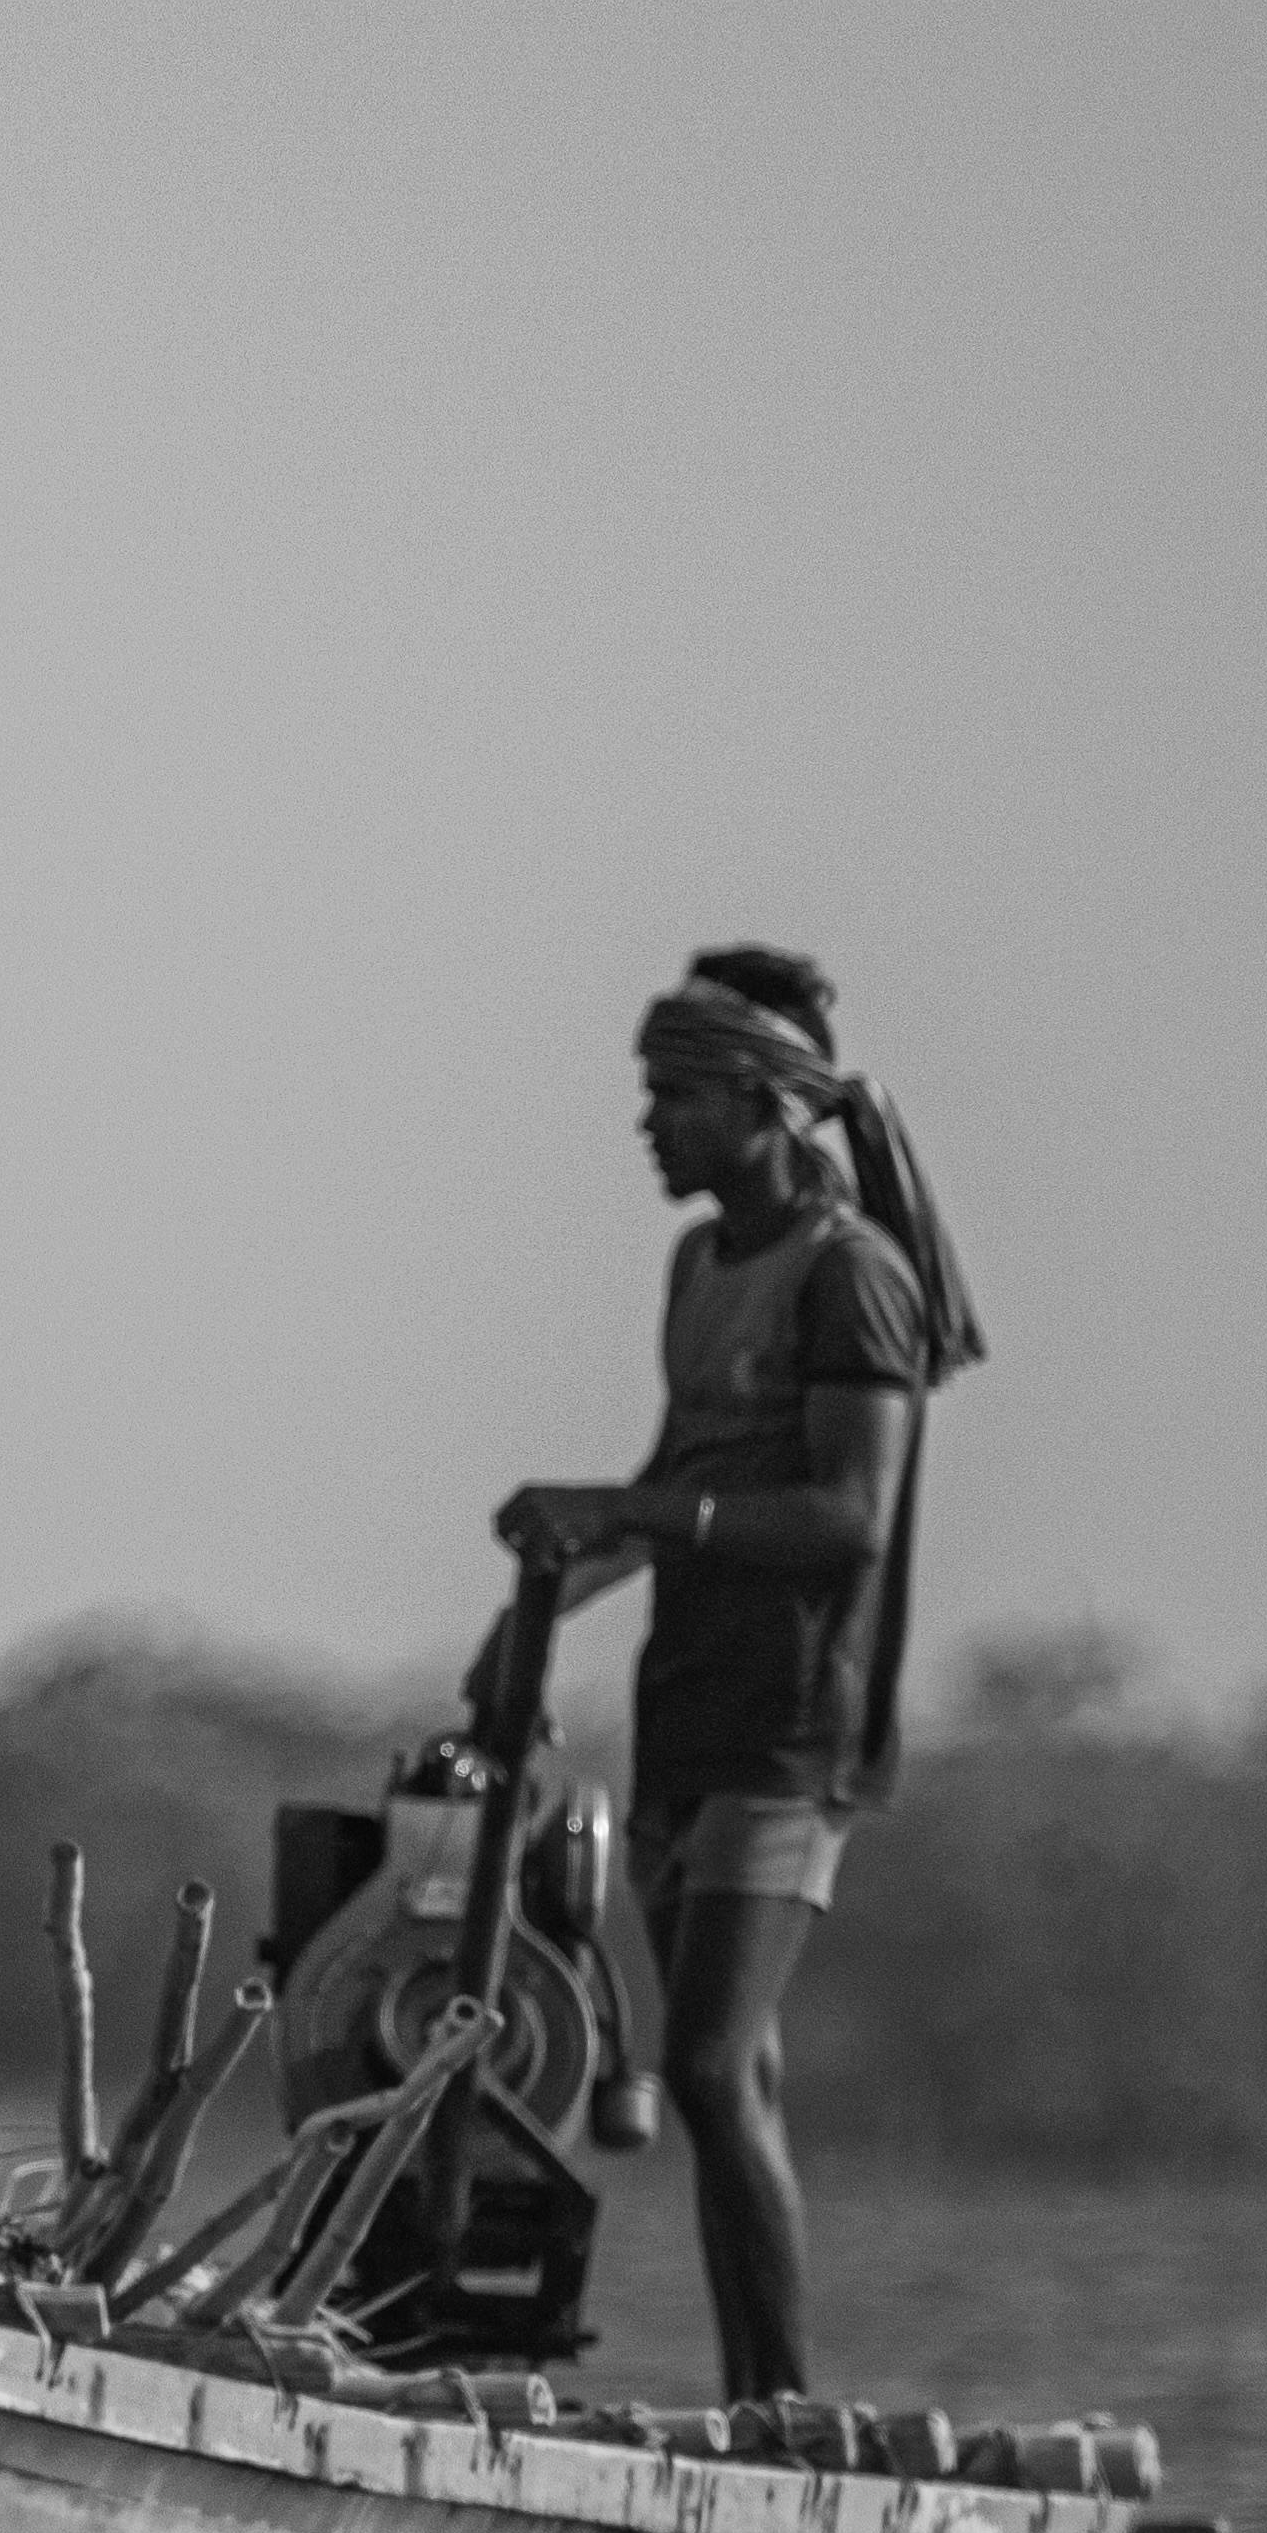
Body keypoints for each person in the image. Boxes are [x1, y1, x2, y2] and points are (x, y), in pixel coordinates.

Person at [488, 946, 983, 2408]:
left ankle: (781, 2410)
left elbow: (849, 1517)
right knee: (732, 2082)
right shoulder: (701, 1267)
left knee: (706, 2066)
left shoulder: (856, 1277)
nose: (650, 1125)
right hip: (688, 1706)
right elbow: (677, 1479)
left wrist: (626, 1510)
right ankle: (760, 2403)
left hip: (796, 1725)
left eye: (678, 1098)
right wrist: (538, 1611)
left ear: (766, 1105)